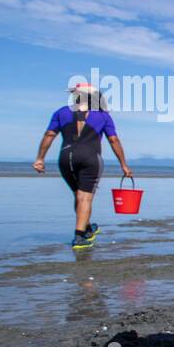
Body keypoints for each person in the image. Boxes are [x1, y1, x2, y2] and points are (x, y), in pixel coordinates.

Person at [32, 83, 132, 249]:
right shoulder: (102, 115)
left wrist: (40, 158)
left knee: (78, 195)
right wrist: (124, 165)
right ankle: (79, 237)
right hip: (90, 158)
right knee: (84, 197)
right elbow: (113, 140)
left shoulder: (61, 112)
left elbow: (49, 134)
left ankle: (86, 228)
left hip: (65, 158)